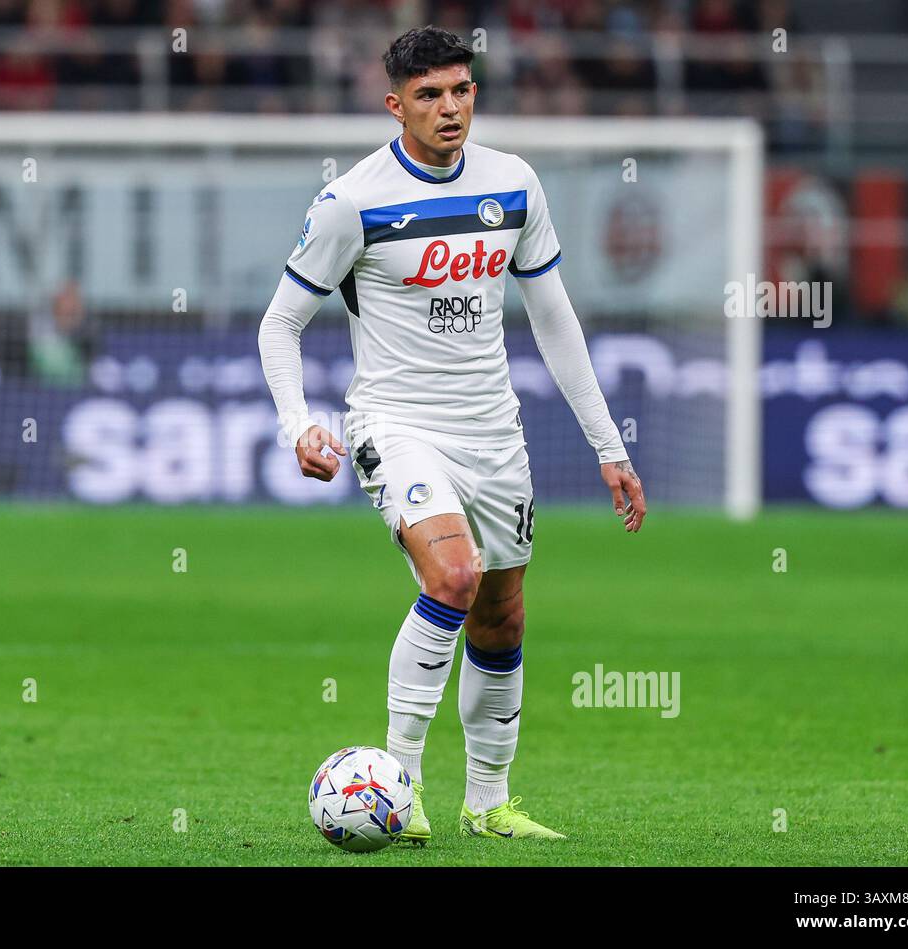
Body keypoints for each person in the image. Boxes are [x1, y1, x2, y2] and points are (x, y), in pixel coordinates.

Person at [258, 25, 646, 843]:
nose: (449, 109)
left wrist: (609, 447)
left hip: (493, 433)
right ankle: (400, 788)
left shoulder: (513, 185)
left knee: (502, 617)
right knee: (455, 577)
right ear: (394, 104)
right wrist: (298, 425)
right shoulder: (351, 201)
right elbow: (280, 323)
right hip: (396, 425)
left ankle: (489, 802)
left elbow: (554, 319)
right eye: (429, 95)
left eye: (461, 90)